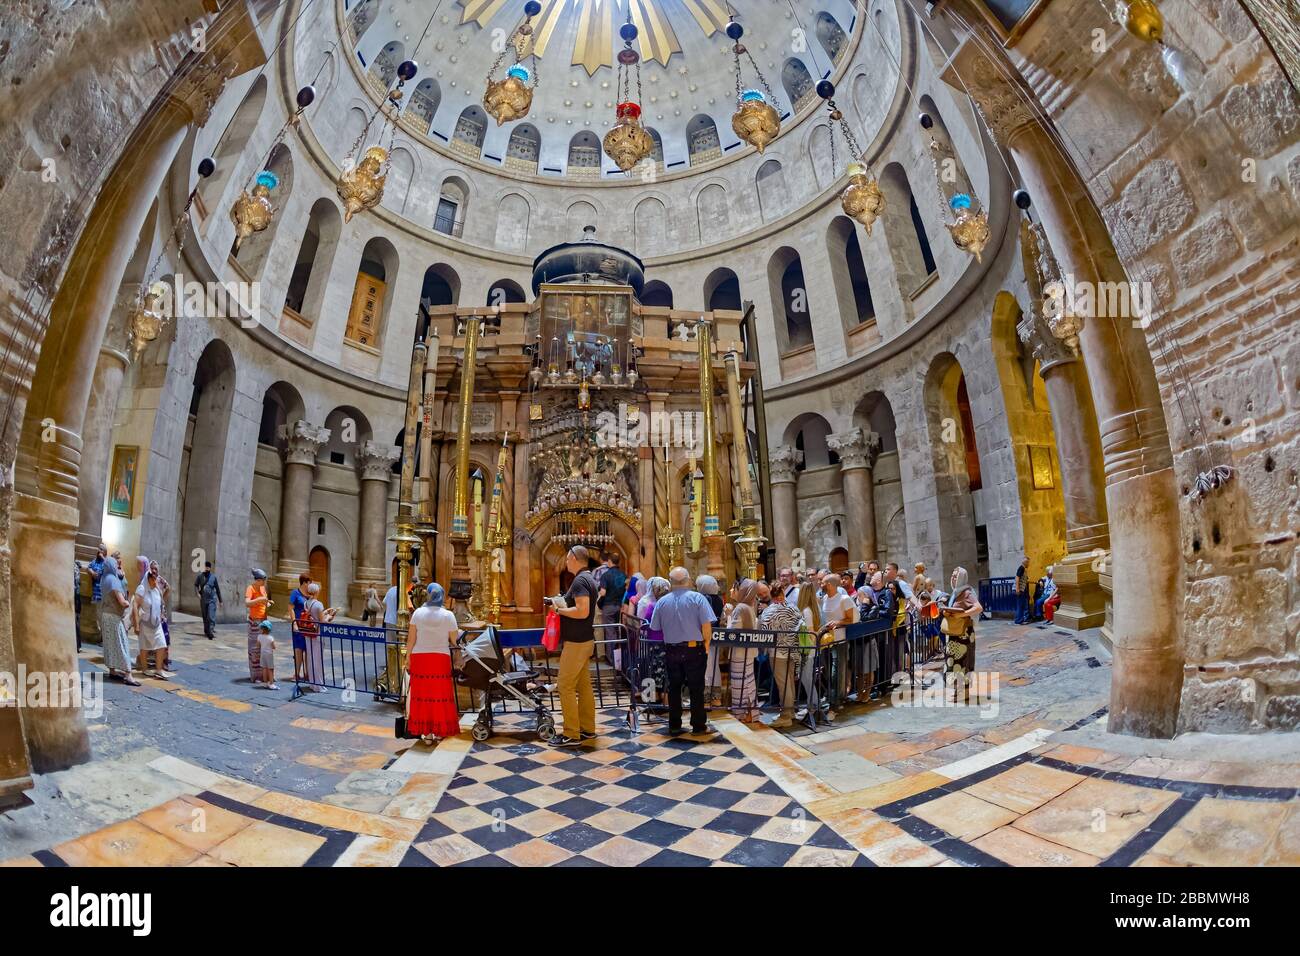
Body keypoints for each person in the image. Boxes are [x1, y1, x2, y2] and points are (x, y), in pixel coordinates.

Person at [649, 567, 716, 735]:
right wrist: (706, 645)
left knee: (673, 688)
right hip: (694, 648)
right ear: (687, 580)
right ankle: (698, 725)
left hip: (672, 650)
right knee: (696, 688)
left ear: (670, 582)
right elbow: (706, 626)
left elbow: (655, 627)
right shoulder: (698, 598)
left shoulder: (662, 602)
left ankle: (675, 725)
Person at [548, 546, 599, 747]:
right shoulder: (588, 578)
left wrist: (560, 610)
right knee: (583, 686)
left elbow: (582, 611)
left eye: (568, 559)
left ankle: (571, 733)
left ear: (575, 559)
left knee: (565, 685)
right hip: (584, 640)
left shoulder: (580, 580)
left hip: (577, 642)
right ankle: (587, 729)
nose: (566, 562)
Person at [404, 582, 461, 741]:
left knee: (421, 696)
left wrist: (407, 658)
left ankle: (426, 734)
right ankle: (439, 731)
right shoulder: (448, 615)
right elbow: (455, 640)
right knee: (440, 696)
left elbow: (411, 640)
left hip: (420, 657)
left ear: (428, 595)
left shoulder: (418, 613)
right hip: (440, 658)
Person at [760, 579, 803, 728]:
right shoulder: (793, 608)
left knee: (782, 684)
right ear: (783, 593)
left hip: (777, 651)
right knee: (790, 681)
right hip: (792, 650)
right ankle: (790, 712)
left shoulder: (769, 611)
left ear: (772, 595)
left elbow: (763, 631)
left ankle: (786, 715)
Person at [942, 567, 983, 702]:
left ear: (962, 577)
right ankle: (959, 691)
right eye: (953, 575)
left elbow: (978, 607)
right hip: (955, 633)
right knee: (954, 662)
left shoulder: (966, 592)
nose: (953, 578)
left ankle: (962, 692)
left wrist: (961, 614)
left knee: (963, 662)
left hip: (964, 634)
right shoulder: (955, 592)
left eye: (956, 576)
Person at [99, 555, 139, 685]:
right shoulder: (113, 581)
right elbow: (122, 602)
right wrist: (129, 603)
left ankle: (112, 670)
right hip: (114, 616)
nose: (117, 567)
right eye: (115, 565)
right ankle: (128, 674)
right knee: (122, 644)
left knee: (110, 644)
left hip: (105, 614)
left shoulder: (104, 579)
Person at [725, 578, 761, 722]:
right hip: (748, 652)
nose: (731, 591)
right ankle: (751, 713)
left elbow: (732, 633)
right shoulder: (749, 606)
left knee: (741, 683)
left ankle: (743, 714)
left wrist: (728, 615)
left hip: (740, 652)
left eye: (734, 588)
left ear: (743, 591)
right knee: (748, 681)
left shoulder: (740, 607)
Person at [132, 565, 168, 679]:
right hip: (145, 623)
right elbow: (135, 606)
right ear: (148, 578)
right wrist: (136, 625)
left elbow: (162, 601)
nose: (155, 580)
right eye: (153, 578)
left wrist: (161, 615)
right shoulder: (142, 588)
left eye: (156, 578)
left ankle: (158, 669)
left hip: (156, 624)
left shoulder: (157, 589)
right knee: (144, 647)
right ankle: (144, 669)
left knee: (162, 644)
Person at [302, 581, 335, 691]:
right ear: (316, 591)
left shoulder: (306, 603)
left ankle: (312, 683)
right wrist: (330, 616)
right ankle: (319, 685)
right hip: (317, 634)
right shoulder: (318, 604)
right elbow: (322, 621)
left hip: (308, 632)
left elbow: (313, 616)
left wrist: (325, 612)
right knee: (317, 659)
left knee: (310, 658)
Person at [244, 568, 272, 684]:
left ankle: (263, 675)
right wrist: (259, 599)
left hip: (263, 620)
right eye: (263, 581)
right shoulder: (250, 588)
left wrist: (268, 603)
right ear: (258, 580)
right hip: (254, 621)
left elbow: (265, 601)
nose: (264, 583)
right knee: (254, 649)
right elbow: (247, 603)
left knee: (263, 649)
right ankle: (255, 676)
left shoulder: (263, 588)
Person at [596, 553, 626, 653]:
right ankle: (619, 657)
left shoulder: (606, 575)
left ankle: (612, 659)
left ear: (609, 561)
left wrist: (598, 603)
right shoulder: (623, 575)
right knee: (617, 631)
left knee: (610, 632)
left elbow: (603, 593)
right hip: (620, 606)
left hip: (608, 606)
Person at [148, 559, 173, 669]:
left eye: (156, 569)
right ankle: (153, 659)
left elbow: (168, 588)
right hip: (151, 616)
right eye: (152, 568)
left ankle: (164, 660)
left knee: (165, 637)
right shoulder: (147, 580)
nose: (154, 570)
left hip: (161, 615)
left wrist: (163, 597)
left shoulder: (160, 580)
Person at [289, 573, 312, 683]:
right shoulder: (295, 593)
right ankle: (297, 674)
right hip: (298, 624)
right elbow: (291, 608)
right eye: (309, 582)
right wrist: (294, 623)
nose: (310, 585)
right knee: (298, 650)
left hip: (308, 626)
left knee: (308, 650)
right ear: (304, 583)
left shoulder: (311, 594)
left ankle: (307, 674)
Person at [194, 561, 222, 641]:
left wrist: (220, 601)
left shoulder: (213, 577)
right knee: (205, 615)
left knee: (210, 614)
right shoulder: (200, 576)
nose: (207, 568)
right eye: (205, 567)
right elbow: (196, 585)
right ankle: (206, 630)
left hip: (212, 599)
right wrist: (197, 594)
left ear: (210, 568)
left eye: (208, 567)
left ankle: (211, 630)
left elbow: (217, 589)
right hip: (203, 599)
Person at [257, 620, 278, 690]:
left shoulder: (259, 637)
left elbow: (258, 646)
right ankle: (271, 683)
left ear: (262, 628)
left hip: (262, 654)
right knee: (271, 669)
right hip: (269, 654)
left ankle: (265, 682)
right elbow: (274, 647)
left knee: (264, 668)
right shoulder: (271, 638)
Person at [1014, 553, 1030, 625]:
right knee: (1020, 605)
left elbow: (1024, 580)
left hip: (1021, 589)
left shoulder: (1023, 569)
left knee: (1021, 605)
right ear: (1025, 562)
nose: (1028, 564)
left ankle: (1019, 620)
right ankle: (1019, 621)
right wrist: (1017, 589)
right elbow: (1017, 578)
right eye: (1028, 562)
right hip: (1019, 590)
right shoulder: (1021, 568)